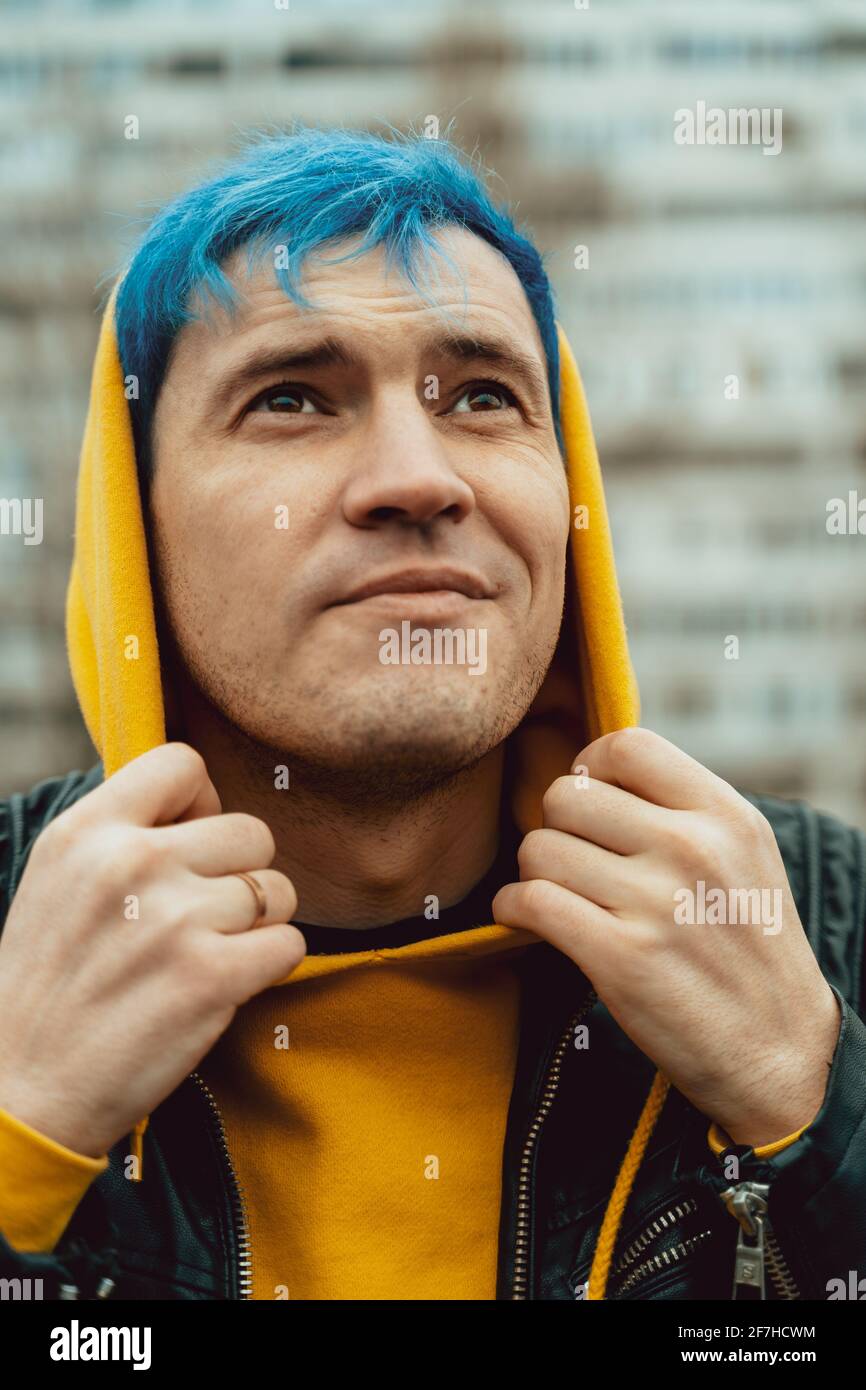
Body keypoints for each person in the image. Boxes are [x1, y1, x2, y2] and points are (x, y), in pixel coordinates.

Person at [0, 127, 863, 1303]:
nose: (418, 476)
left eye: (481, 396)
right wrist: (18, 1134)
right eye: (293, 397)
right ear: (131, 524)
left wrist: (815, 1105)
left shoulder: (820, 925)